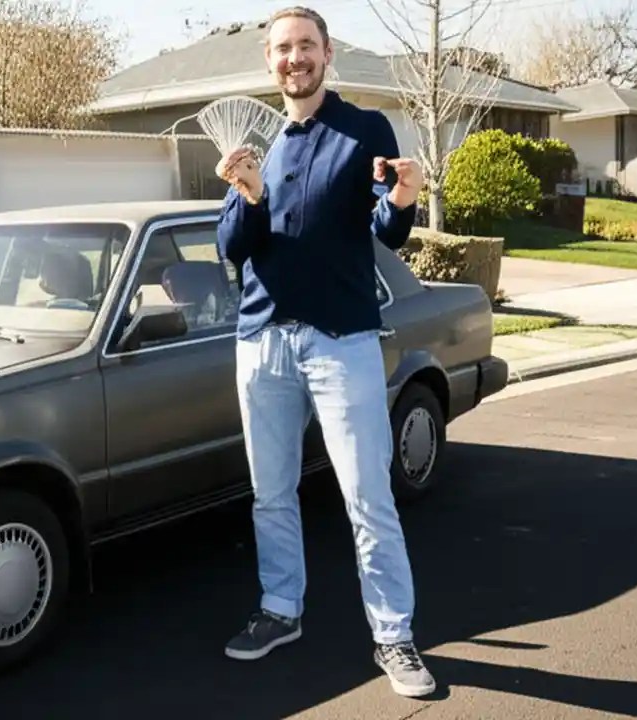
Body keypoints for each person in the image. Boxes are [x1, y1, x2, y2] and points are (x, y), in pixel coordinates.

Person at [215, 6, 436, 698]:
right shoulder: (258, 145)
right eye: (282, 49)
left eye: (305, 46)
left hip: (341, 341)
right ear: (268, 61)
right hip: (263, 344)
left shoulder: (364, 129)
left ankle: (394, 636)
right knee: (271, 495)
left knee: (368, 495)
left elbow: (385, 228)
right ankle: (281, 610)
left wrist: (402, 197)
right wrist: (245, 195)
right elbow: (231, 249)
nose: (294, 58)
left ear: (327, 53)